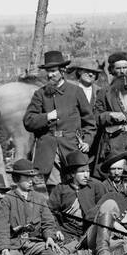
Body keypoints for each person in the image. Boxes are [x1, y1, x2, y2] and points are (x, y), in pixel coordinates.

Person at [23, 50, 95, 185]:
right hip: (49, 149)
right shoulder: (40, 94)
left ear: (62, 71)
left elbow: (90, 122)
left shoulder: (76, 92)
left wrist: (87, 141)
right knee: (54, 189)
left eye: (53, 71)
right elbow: (28, 121)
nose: (50, 75)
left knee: (74, 186)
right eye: (48, 71)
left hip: (72, 147)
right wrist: (47, 116)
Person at [47, 151, 122, 255]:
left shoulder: (96, 186)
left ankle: (98, 250)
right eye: (82, 172)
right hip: (68, 234)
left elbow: (105, 209)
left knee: (122, 244)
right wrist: (56, 230)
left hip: (91, 232)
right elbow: (50, 212)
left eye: (88, 171)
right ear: (72, 174)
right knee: (54, 253)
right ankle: (87, 252)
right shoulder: (61, 189)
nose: (86, 175)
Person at [92, 51, 127, 174]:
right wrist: (109, 115)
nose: (122, 71)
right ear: (112, 71)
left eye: (125, 68)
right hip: (114, 140)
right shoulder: (104, 92)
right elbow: (96, 117)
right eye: (118, 68)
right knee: (114, 173)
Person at [0, 158, 65, 255]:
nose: (31, 180)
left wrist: (49, 237)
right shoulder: (7, 199)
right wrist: (4, 248)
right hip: (15, 244)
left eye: (32, 177)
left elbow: (48, 221)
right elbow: (2, 226)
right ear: (17, 178)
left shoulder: (39, 198)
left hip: (34, 243)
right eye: (26, 177)